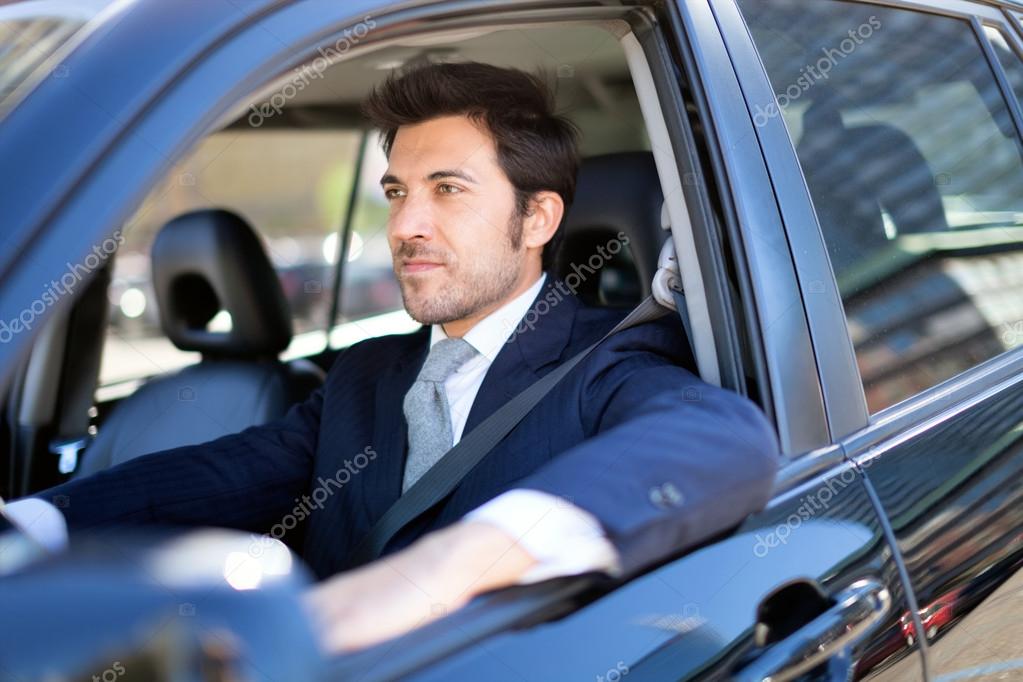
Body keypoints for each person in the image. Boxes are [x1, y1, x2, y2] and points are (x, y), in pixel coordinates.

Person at [9, 61, 780, 653]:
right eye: (395, 191)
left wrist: (448, 568)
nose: (407, 224)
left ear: (538, 216)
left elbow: (722, 438)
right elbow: (226, 472)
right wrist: (35, 525)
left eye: (447, 190)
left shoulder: (605, 360)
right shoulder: (365, 371)